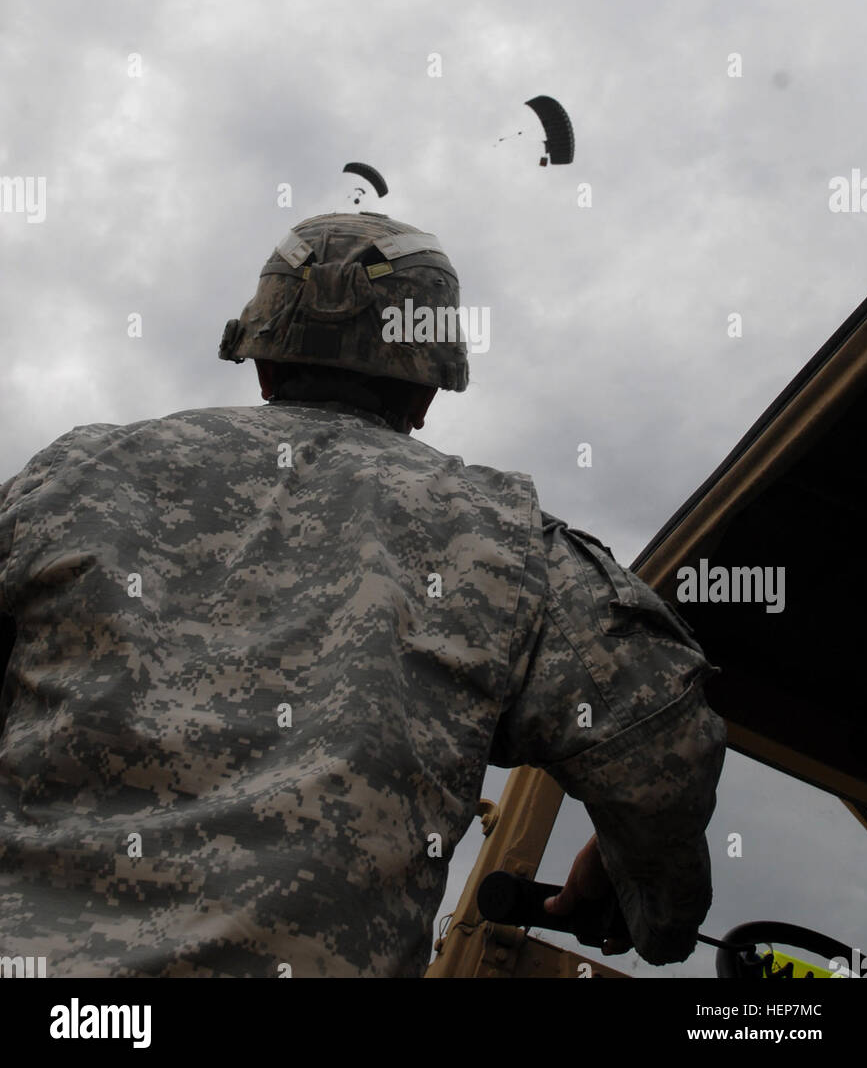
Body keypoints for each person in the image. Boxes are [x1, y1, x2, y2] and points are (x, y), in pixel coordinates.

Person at [0, 210, 725, 977]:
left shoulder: (76, 477)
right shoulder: (508, 545)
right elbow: (665, 744)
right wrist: (651, 907)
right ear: (427, 391)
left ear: (263, 364)